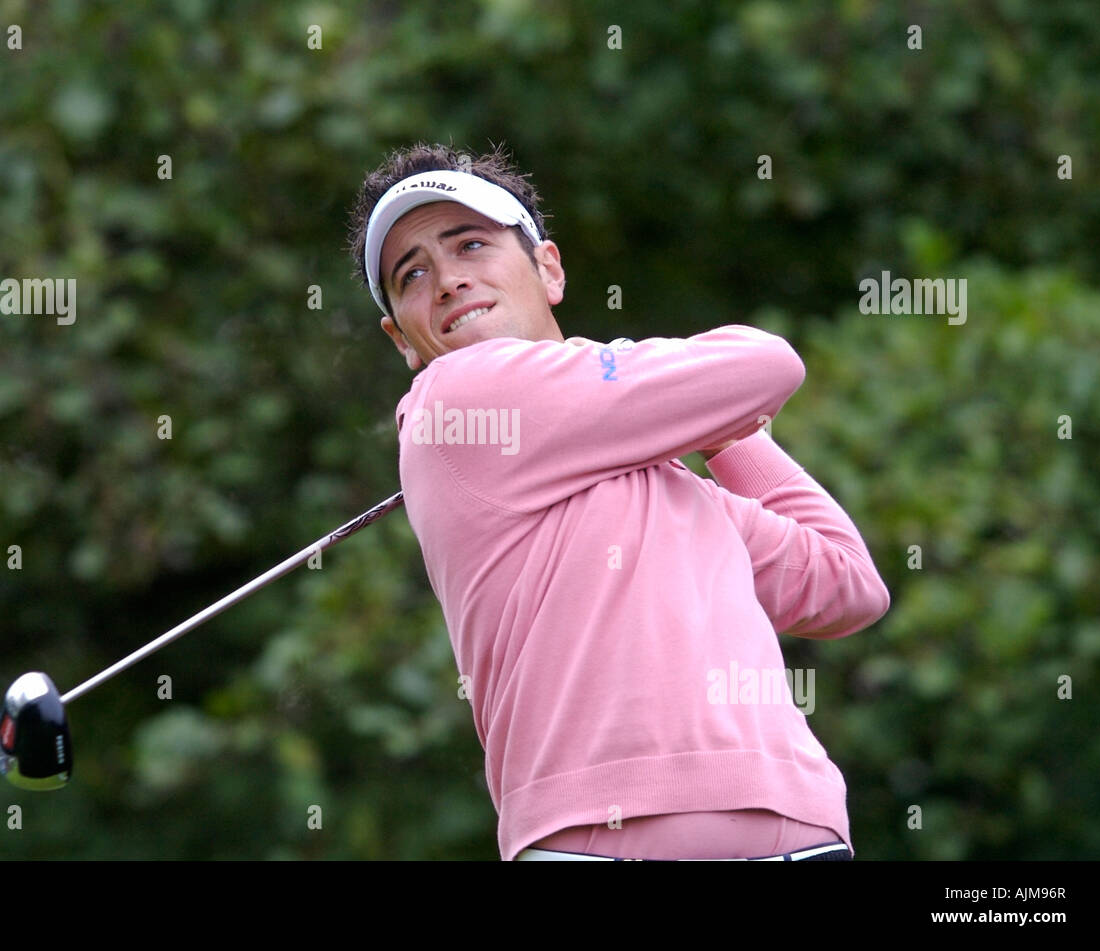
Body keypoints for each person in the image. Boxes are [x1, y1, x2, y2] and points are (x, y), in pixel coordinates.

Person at [345, 142, 891, 861]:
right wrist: (691, 406)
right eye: (411, 274)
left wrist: (710, 431)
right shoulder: (454, 399)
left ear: (549, 267)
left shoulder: (670, 487)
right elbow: (766, 362)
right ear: (402, 340)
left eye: (471, 243)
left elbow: (847, 583)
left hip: (801, 836)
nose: (447, 280)